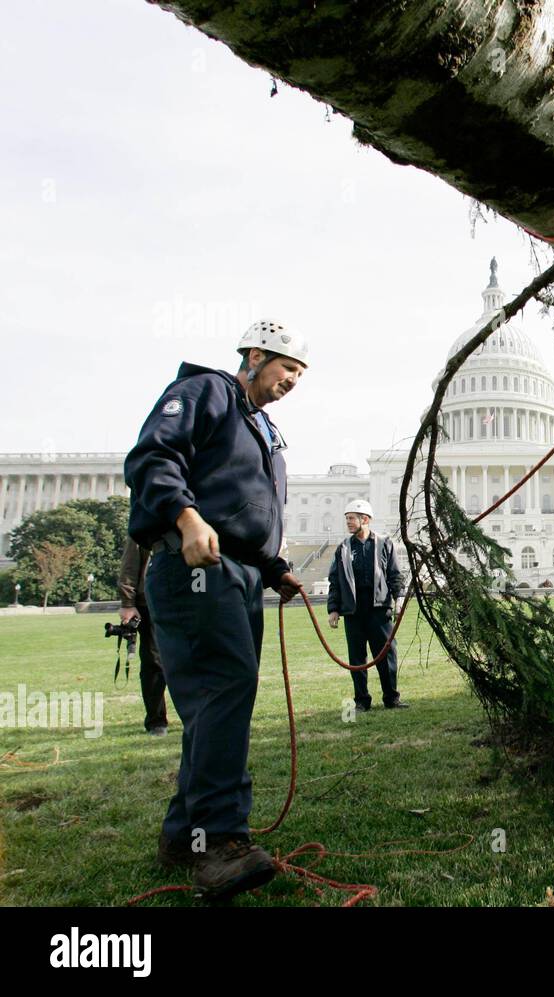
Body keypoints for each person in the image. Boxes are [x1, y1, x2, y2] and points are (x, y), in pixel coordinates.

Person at [125, 320, 307, 902]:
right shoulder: (207, 394)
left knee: (217, 702)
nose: (291, 383)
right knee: (222, 694)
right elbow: (152, 457)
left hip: (238, 573)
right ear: (255, 356)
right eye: (286, 369)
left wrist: (274, 568)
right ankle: (220, 842)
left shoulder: (262, 428)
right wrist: (185, 516)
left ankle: (185, 836)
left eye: (299, 376)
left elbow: (243, 510)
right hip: (197, 566)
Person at [327, 500, 407, 710]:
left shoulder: (384, 543)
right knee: (357, 657)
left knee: (386, 656)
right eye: (347, 519)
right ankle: (361, 700)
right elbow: (335, 580)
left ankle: (391, 698)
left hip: (379, 609)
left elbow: (394, 575)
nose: (348, 522)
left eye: (351, 518)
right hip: (353, 611)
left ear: (365, 519)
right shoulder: (343, 548)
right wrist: (333, 608)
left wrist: (399, 599)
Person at [116, 536, 170, 736]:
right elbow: (131, 558)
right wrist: (127, 602)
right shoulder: (147, 514)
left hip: (186, 596)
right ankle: (156, 721)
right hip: (150, 600)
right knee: (154, 662)